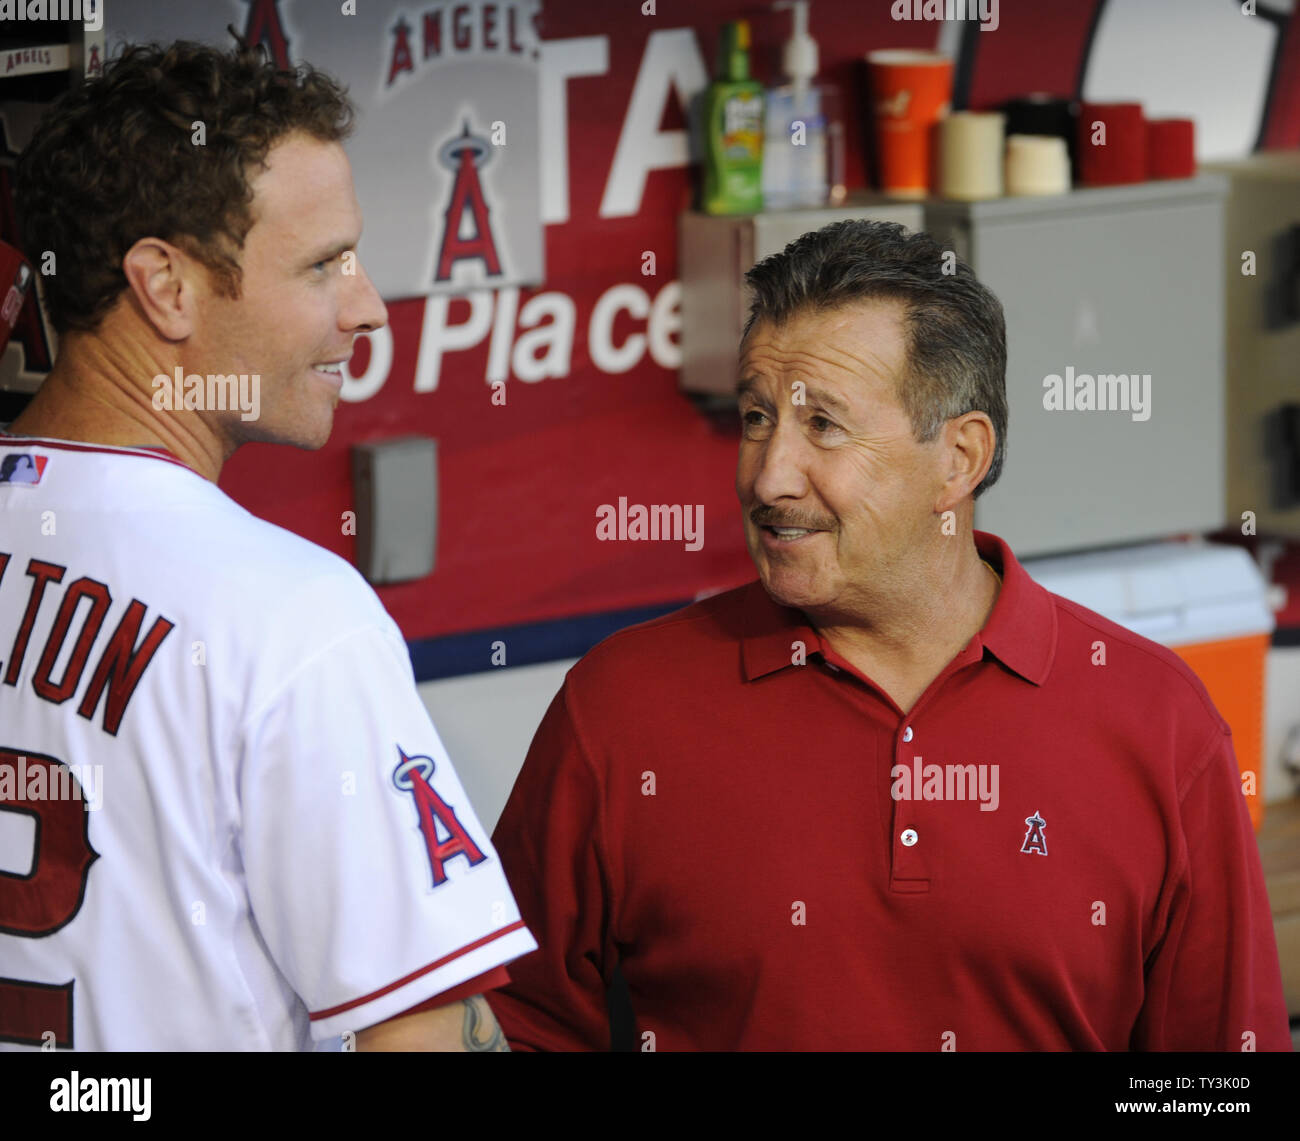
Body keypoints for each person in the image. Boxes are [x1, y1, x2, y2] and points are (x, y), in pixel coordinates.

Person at [489, 219, 1292, 1051]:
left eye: (824, 426)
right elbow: (514, 1023)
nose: (769, 475)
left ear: (959, 458)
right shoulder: (621, 706)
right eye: (758, 417)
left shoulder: (1161, 725)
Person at [0, 38, 535, 1051]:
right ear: (166, 285)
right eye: (323, 263)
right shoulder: (288, 615)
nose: (367, 307)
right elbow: (418, 1037)